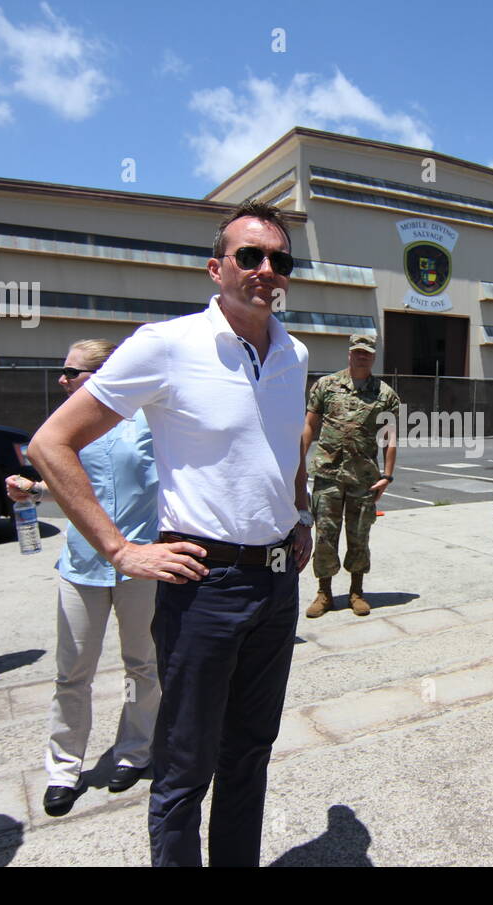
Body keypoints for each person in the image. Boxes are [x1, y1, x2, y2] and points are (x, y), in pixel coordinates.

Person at [27, 200, 313, 867]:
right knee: (184, 765)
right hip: (202, 585)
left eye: (280, 260)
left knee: (249, 754)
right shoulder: (167, 344)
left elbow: (285, 443)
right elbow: (51, 444)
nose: (266, 270)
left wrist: (298, 516)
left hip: (276, 583)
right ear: (218, 268)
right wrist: (120, 549)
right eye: (250, 256)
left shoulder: (294, 353)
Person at [6, 340, 161, 817]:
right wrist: (30, 488)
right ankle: (63, 770)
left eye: (71, 373)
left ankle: (134, 751)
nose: (62, 380)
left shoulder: (150, 423)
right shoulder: (67, 429)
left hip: (140, 563)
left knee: (142, 666)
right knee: (73, 672)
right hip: (81, 566)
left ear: (101, 376)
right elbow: (70, 486)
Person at [302, 332, 399, 617]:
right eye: (357, 351)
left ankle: (357, 591)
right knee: (325, 537)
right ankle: (324, 593)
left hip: (364, 479)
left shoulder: (385, 395)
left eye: (367, 352)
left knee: (359, 536)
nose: (362, 356)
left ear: (373, 356)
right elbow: (309, 425)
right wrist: (298, 461)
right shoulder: (326, 385)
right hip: (328, 474)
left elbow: (389, 438)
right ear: (349, 353)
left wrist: (387, 475)